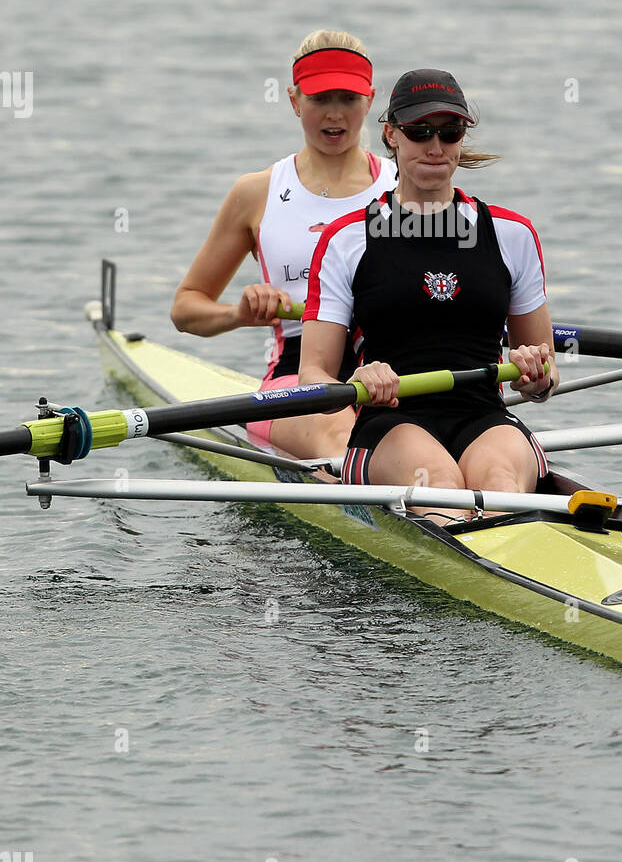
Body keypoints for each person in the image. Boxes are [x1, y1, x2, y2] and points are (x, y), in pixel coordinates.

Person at [299, 68, 558, 519]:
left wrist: (535, 376)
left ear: (462, 136)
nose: (435, 147)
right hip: (390, 422)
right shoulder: (347, 239)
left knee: (498, 483)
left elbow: (545, 373)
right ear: (391, 135)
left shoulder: (512, 233)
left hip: (483, 415)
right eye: (419, 132)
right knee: (439, 486)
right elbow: (313, 375)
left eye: (449, 131)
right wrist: (355, 384)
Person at [170, 30, 396, 458]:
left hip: (394, 371)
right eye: (319, 99)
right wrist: (238, 314)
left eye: (348, 99)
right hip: (296, 378)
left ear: (369, 101)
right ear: (294, 101)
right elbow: (185, 308)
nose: (335, 115)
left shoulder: (404, 186)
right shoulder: (257, 192)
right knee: (346, 437)